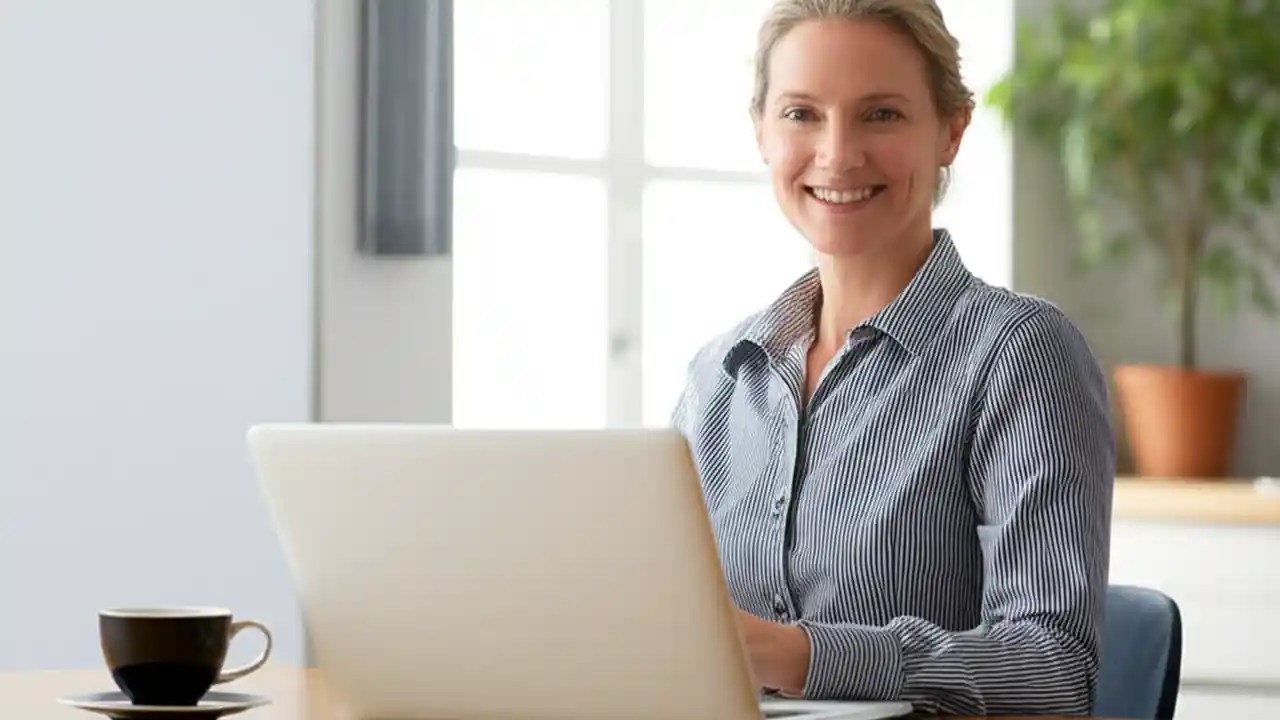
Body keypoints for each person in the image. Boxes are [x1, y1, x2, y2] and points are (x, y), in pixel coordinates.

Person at [670, 1, 1115, 716]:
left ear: (951, 130)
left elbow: (1054, 671)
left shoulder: (1018, 355)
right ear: (760, 130)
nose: (838, 153)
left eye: (881, 115)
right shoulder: (719, 377)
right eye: (800, 114)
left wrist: (805, 656)